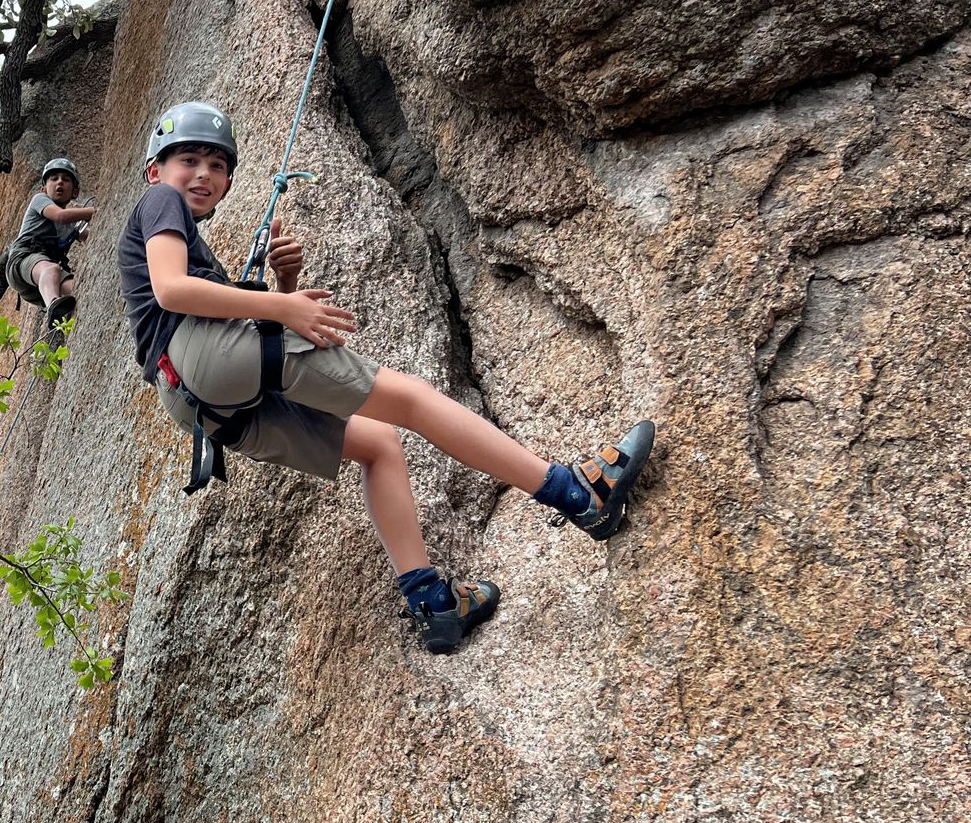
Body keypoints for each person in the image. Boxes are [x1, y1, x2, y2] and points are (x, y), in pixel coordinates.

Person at [117, 101, 655, 655]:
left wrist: (285, 282)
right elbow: (173, 291)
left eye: (216, 164)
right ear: (156, 171)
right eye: (188, 159)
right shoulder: (159, 202)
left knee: (379, 444)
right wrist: (283, 310)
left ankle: (433, 606)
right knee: (412, 401)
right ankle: (579, 493)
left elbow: (225, 334)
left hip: (197, 405)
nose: (203, 173)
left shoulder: (182, 230)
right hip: (201, 359)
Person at [6, 157, 95, 330]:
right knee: (51, 268)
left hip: (42, 283)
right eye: (54, 179)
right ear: (44, 188)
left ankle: (66, 321)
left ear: (75, 191)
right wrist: (95, 211)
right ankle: (53, 305)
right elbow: (60, 216)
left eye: (66, 179)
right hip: (23, 260)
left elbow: (90, 238)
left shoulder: (73, 225)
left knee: (78, 290)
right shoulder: (40, 200)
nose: (60, 182)